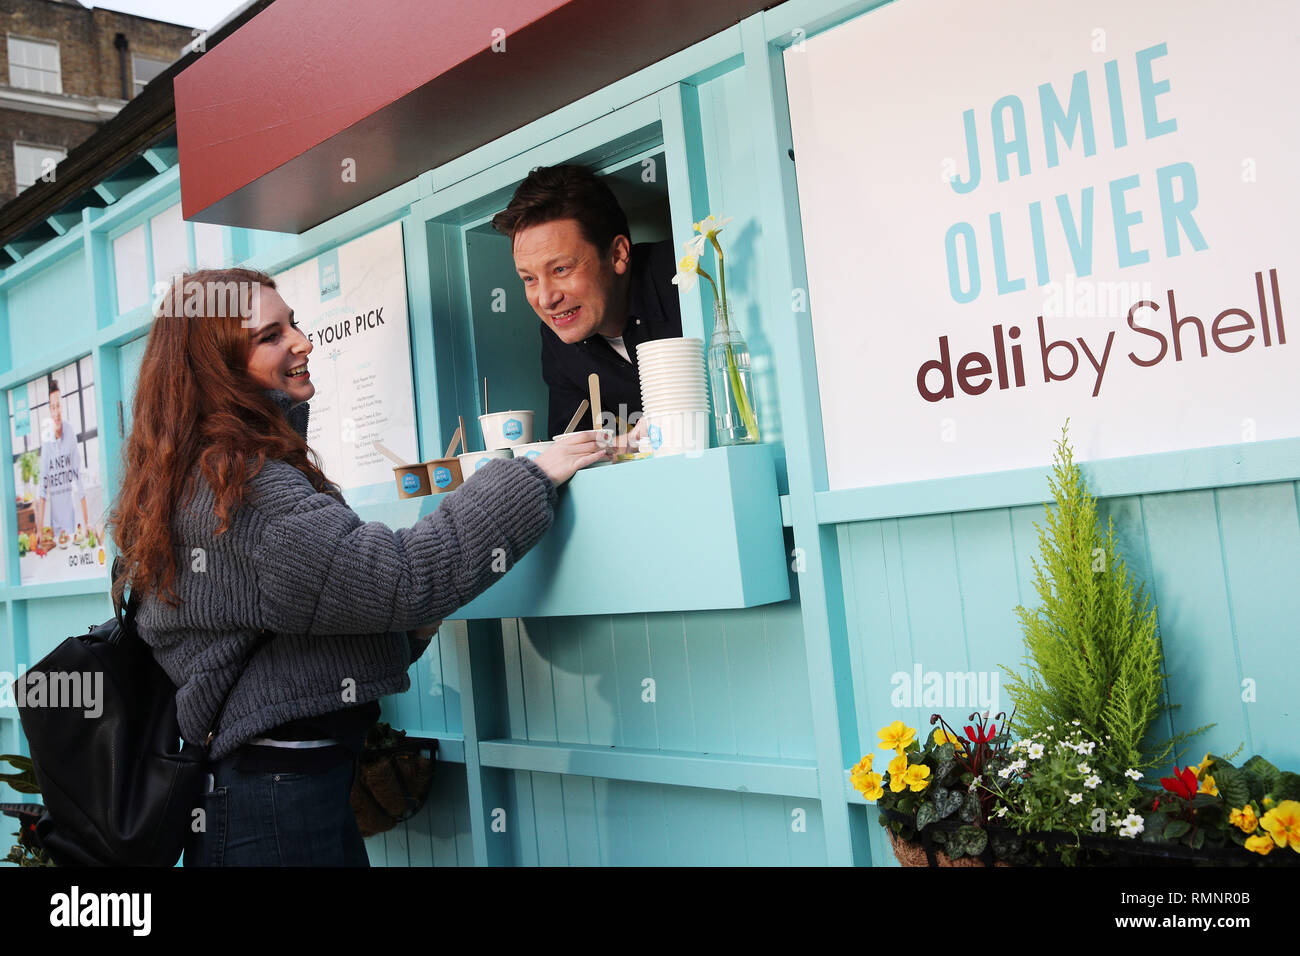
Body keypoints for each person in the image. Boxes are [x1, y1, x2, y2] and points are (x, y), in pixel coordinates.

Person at [110, 267, 610, 867]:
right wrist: (530, 473)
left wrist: (408, 630)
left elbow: (308, 627)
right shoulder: (242, 491)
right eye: (271, 336)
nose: (302, 341)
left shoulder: (210, 476)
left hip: (274, 794)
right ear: (218, 370)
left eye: (294, 322)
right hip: (273, 806)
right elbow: (403, 577)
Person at [491, 164, 682, 442]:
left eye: (561, 270)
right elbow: (571, 450)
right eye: (529, 278)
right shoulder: (557, 336)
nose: (546, 300)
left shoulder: (683, 274)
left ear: (617, 255)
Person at [34, 379, 91, 551]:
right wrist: (38, 530)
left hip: (73, 524)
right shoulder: (46, 441)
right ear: (50, 411)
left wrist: (87, 522)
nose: (56, 412)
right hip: (54, 528)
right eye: (53, 407)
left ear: (62, 407)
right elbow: (42, 489)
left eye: (58, 406)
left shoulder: (70, 433)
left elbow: (79, 479)